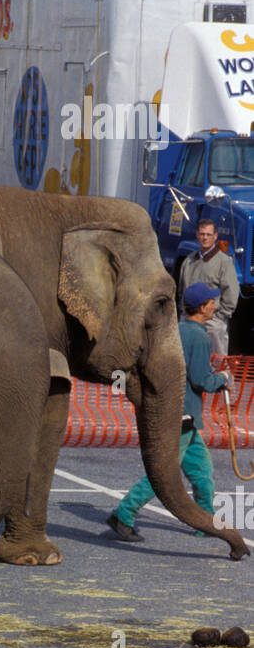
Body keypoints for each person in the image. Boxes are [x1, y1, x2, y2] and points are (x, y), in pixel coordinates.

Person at [107, 282, 231, 543]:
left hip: (179, 415)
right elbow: (201, 380)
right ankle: (124, 514)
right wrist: (223, 378)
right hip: (181, 415)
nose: (215, 307)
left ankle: (205, 521)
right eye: (211, 302)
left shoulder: (176, 329)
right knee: (163, 474)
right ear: (201, 307)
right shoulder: (199, 336)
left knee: (202, 471)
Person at [177, 217, 239, 357]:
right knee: (184, 360)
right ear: (197, 235)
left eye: (208, 234)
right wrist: (184, 313)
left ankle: (222, 379)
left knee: (217, 364)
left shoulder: (224, 262)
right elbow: (181, 291)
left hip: (212, 322)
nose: (205, 238)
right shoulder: (188, 261)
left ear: (215, 236)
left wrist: (218, 316)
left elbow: (231, 293)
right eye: (202, 234)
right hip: (188, 319)